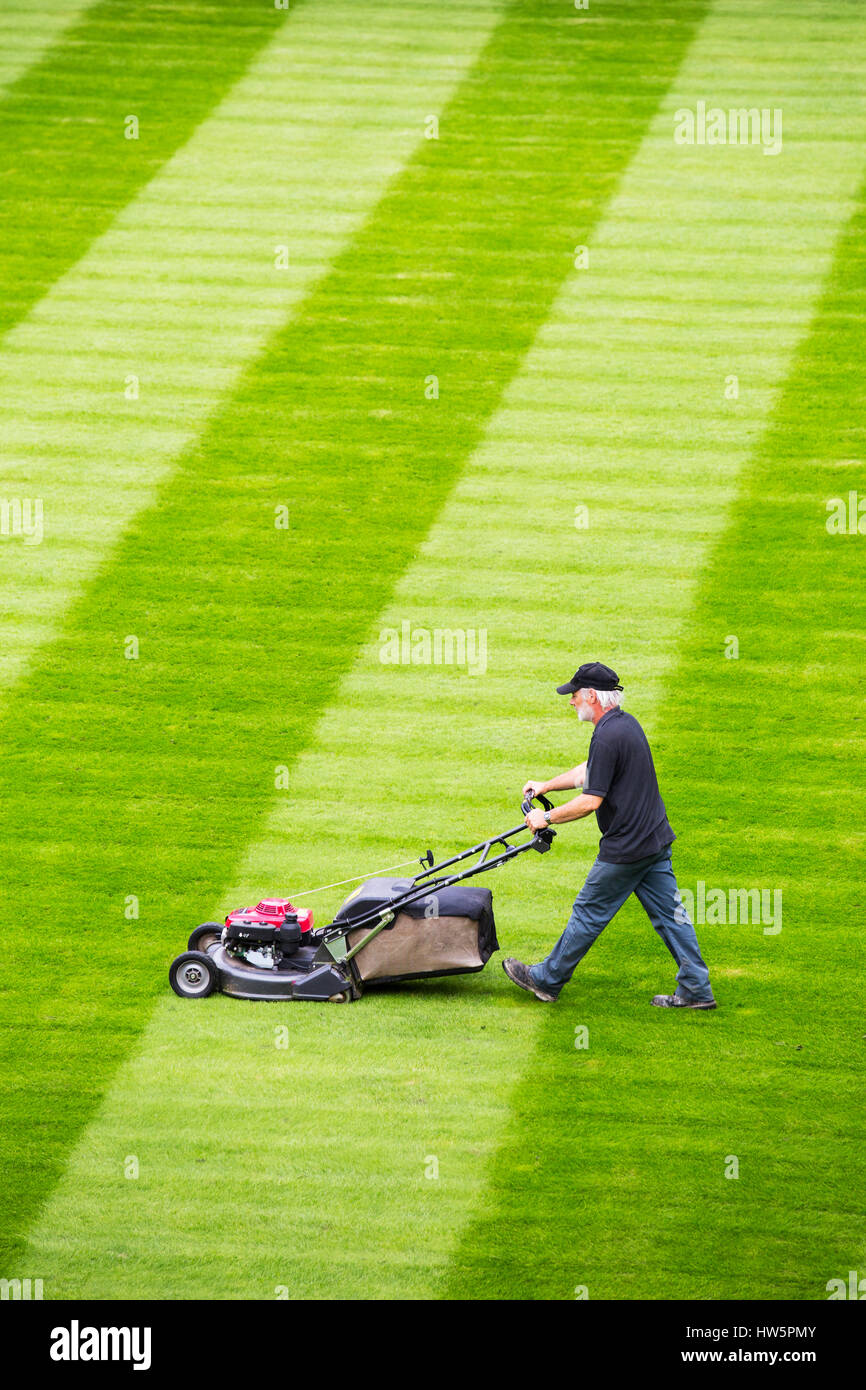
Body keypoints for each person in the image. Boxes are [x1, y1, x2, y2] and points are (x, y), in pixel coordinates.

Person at [503, 661, 716, 1009]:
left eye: (574, 695)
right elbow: (590, 772)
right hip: (654, 839)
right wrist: (545, 784)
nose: (571, 702)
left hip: (627, 848)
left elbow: (590, 801)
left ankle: (546, 979)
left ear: (591, 695)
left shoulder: (607, 735)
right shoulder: (624, 725)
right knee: (670, 917)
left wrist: (547, 818)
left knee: (588, 911)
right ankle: (696, 988)